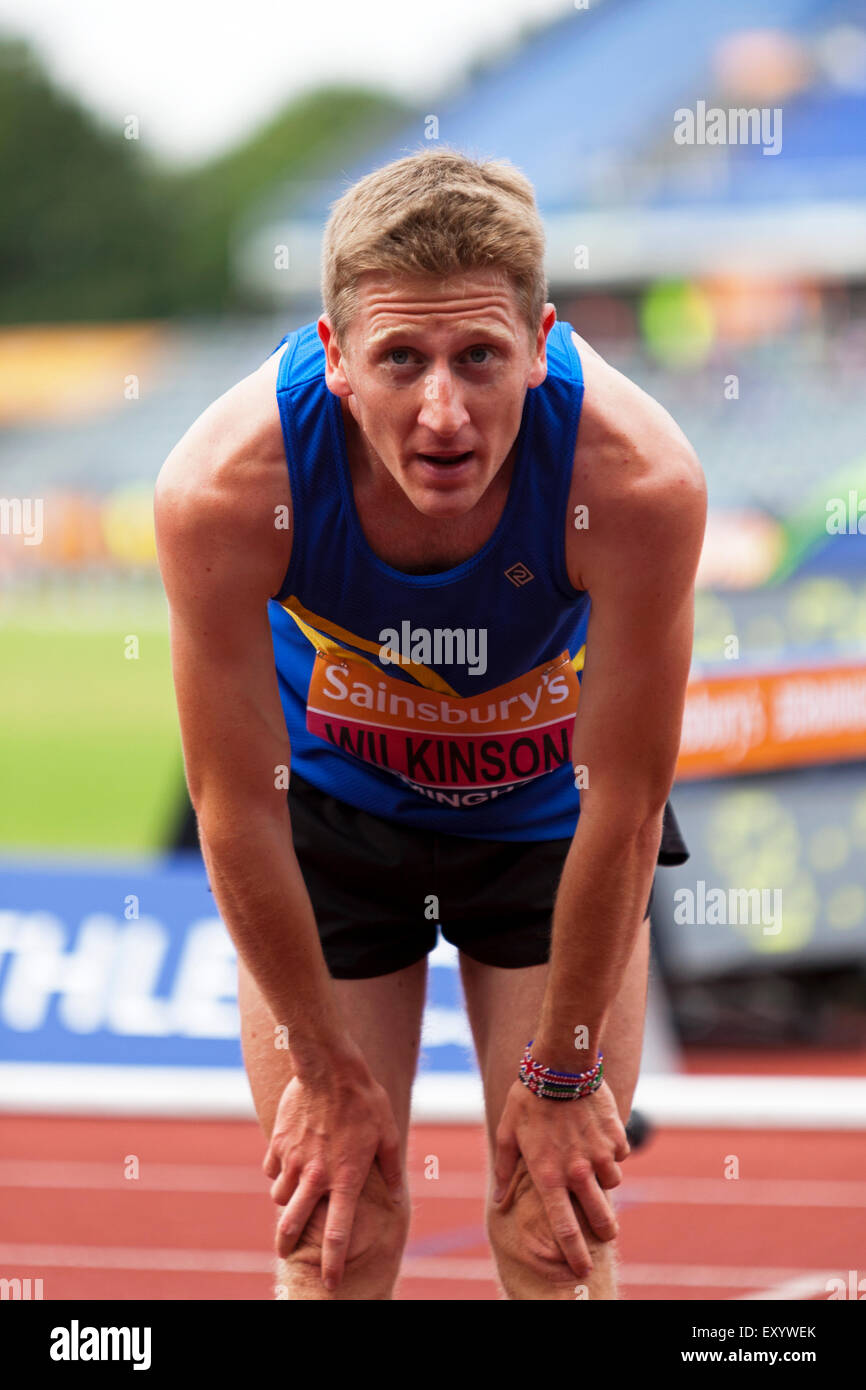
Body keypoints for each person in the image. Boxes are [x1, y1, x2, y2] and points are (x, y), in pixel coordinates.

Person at [154, 147, 706, 1301]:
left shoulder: (639, 479)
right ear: (333, 357)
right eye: (399, 359)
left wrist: (561, 1082)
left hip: (549, 820)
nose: (442, 413)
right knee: (336, 1225)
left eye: (479, 358)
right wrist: (321, 1067)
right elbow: (230, 804)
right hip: (335, 816)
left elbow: (626, 798)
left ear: (543, 343)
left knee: (554, 1229)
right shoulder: (222, 485)